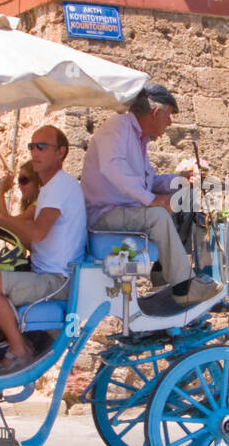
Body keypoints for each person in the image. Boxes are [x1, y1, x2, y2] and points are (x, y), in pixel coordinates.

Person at [80, 83, 221, 311]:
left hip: (123, 212)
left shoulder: (138, 139)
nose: (170, 124)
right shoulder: (117, 128)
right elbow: (113, 169)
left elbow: (148, 181)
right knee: (157, 215)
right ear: (157, 112)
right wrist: (151, 199)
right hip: (104, 215)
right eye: (170, 116)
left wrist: (180, 180)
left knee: (182, 198)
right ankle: (183, 288)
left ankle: (163, 271)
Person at [0, 125, 87, 373]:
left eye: (42, 147)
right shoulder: (50, 189)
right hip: (43, 272)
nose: (35, 152)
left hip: (57, 279)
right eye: (32, 146)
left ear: (61, 152)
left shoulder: (60, 187)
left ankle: (19, 350)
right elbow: (24, 231)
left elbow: (36, 233)